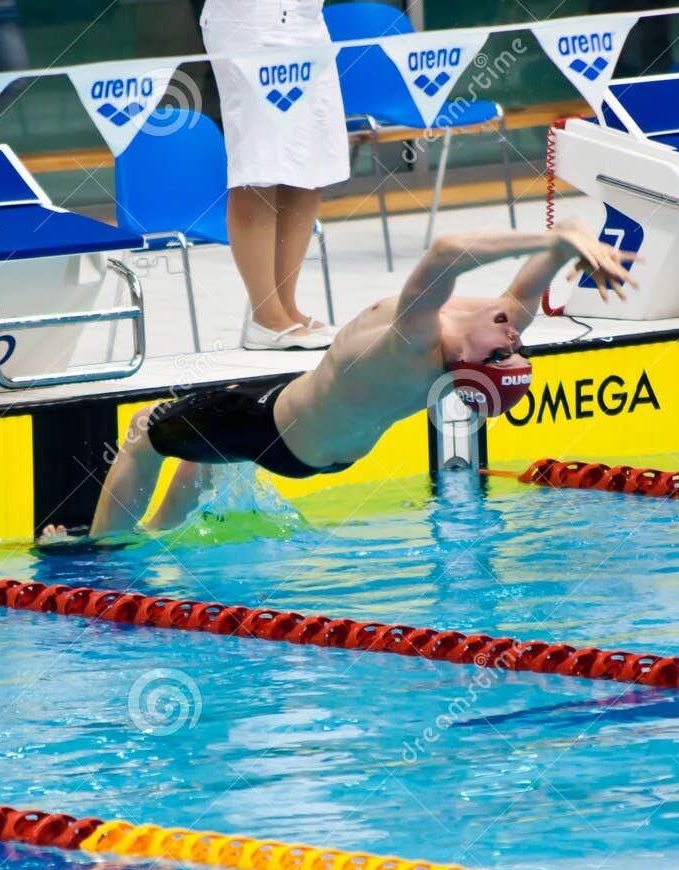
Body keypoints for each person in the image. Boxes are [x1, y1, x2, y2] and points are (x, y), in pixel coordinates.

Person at [77, 222, 634, 540]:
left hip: (277, 430)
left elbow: (445, 253)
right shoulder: (489, 330)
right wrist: (568, 244)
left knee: (145, 432)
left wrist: (552, 236)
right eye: (516, 348)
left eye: (502, 353)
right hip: (315, 434)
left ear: (463, 360)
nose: (512, 337)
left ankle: (102, 556)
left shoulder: (414, 342)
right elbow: (523, 291)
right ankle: (162, 528)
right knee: (209, 444)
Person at [201, 0, 349, 351]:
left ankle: (287, 306)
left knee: (310, 167)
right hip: (251, 25)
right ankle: (265, 315)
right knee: (260, 167)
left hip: (307, 22)